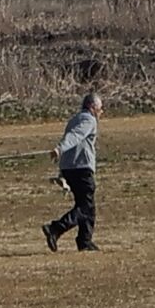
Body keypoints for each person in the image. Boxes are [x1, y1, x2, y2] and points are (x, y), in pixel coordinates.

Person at [43, 93, 102, 252]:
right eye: (99, 108)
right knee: (85, 207)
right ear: (92, 107)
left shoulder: (74, 119)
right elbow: (75, 137)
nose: (101, 112)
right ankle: (55, 229)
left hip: (70, 169)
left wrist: (61, 172)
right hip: (81, 169)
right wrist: (59, 149)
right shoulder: (88, 120)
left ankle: (85, 241)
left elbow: (72, 139)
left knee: (87, 206)